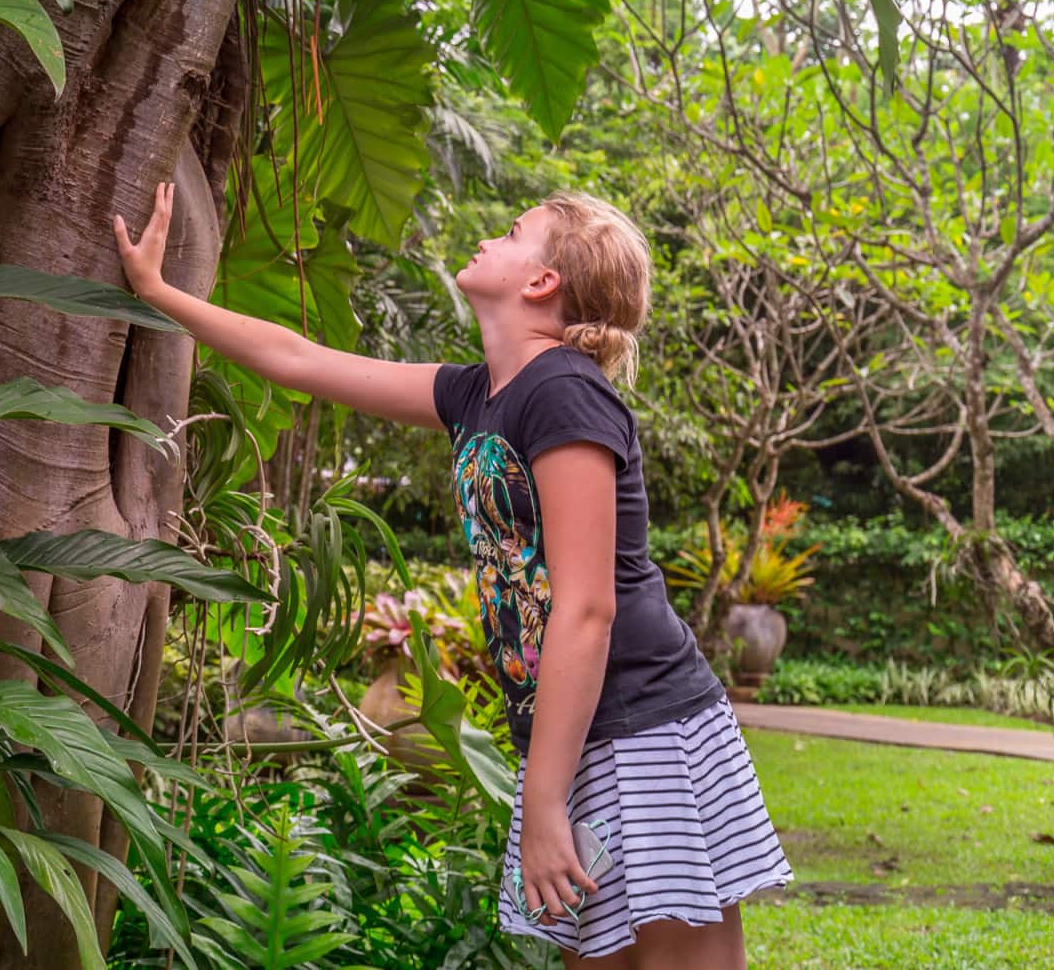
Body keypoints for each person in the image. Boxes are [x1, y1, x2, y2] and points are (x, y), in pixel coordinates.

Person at [112, 182, 792, 968]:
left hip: (645, 733)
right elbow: (300, 359)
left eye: (512, 233)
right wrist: (160, 292)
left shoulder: (564, 389)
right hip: (578, 739)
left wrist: (541, 801)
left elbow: (587, 608)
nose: (489, 240)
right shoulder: (478, 393)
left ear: (542, 283)